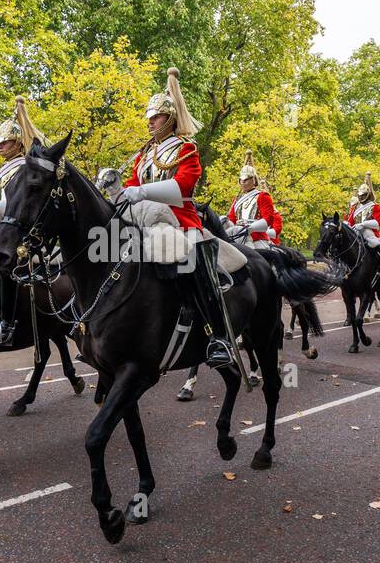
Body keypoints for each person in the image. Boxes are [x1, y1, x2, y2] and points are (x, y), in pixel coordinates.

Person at [120, 67, 235, 369]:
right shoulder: (145, 154)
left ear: (169, 119)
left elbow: (183, 186)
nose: (150, 122)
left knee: (197, 262)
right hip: (142, 219)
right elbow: (131, 186)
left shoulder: (186, 148)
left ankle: (219, 337)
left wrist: (142, 192)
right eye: (148, 117)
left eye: (155, 117)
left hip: (180, 219)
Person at [0, 97, 46, 346]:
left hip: (19, 227)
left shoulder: (22, 168)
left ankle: (5, 321)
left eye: (4, 142)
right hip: (1, 223)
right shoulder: (3, 169)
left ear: (18, 142)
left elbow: (21, 206)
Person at [226, 151, 280, 250]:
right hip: (237, 237)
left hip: (257, 239)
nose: (242, 183)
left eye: (246, 180)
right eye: (240, 180)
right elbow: (232, 220)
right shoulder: (237, 199)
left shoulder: (262, 196)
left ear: (254, 180)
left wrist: (250, 228)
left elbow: (268, 219)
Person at [343, 172, 380, 276]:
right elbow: (350, 221)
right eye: (360, 195)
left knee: (378, 247)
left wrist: (363, 224)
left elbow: (378, 223)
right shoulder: (355, 208)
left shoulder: (374, 206)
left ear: (367, 194)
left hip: (369, 233)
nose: (360, 197)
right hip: (355, 231)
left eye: (363, 195)